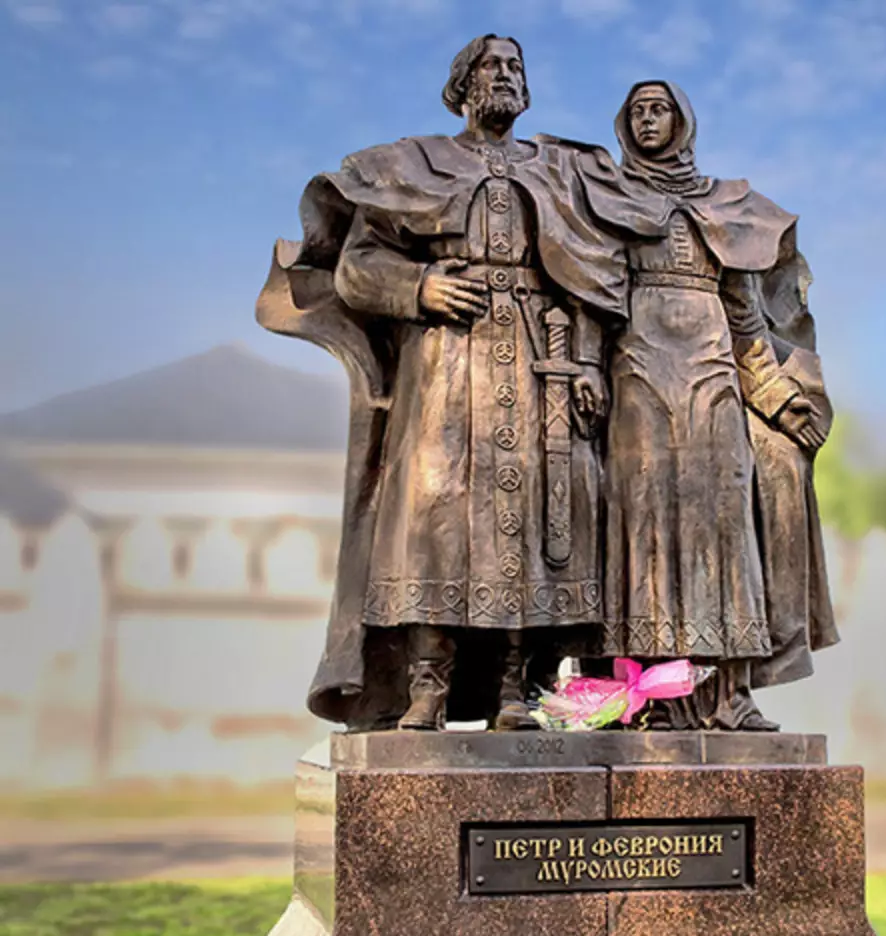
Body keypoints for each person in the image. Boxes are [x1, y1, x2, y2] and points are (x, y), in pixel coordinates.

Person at [256, 35, 630, 732]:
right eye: (491, 66)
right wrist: (421, 285)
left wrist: (583, 362)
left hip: (535, 360)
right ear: (461, 84)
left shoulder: (559, 172)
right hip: (445, 363)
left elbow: (594, 275)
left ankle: (517, 691)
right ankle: (427, 687)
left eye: (516, 67)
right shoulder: (411, 166)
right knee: (435, 516)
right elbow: (358, 266)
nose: (506, 77)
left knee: (537, 526)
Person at [585, 80, 839, 729]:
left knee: (724, 525)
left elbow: (747, 325)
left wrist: (781, 401)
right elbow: (586, 297)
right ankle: (644, 696)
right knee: (642, 527)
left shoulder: (723, 206)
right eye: (637, 110)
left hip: (713, 376)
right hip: (637, 372)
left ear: (681, 120)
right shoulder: (606, 198)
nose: (647, 119)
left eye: (658, 108)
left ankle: (729, 694)